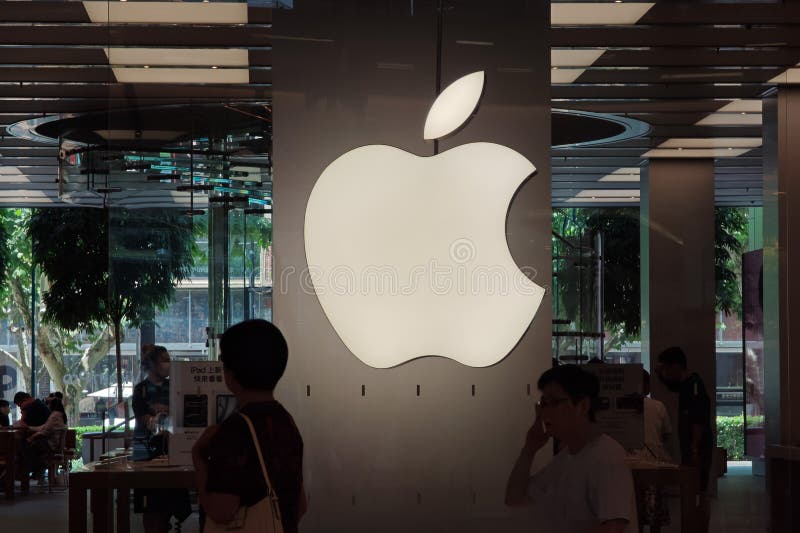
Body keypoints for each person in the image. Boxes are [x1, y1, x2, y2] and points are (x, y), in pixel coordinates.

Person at [192, 319, 306, 533]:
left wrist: (198, 458)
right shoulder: (286, 421)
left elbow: (221, 510)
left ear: (231, 373)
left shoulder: (234, 431)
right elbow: (300, 506)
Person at [505, 364, 638, 533]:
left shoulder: (606, 456)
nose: (545, 413)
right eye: (543, 404)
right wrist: (529, 448)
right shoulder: (566, 458)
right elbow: (514, 498)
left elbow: (613, 528)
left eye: (553, 402)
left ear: (582, 406)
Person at [132, 345, 191, 533]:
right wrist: (155, 422)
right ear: (152, 364)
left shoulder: (176, 387)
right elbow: (142, 418)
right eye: (164, 360)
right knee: (151, 509)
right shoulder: (140, 390)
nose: (168, 364)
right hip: (147, 452)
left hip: (173, 452)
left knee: (173, 502)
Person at [655, 346, 713, 532]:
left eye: (666, 368)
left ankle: (699, 526)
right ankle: (694, 525)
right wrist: (660, 375)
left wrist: (695, 448)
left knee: (699, 491)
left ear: (676, 366)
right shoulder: (685, 385)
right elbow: (671, 385)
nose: (665, 372)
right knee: (693, 489)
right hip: (691, 448)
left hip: (698, 449)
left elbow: (698, 420)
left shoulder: (694, 385)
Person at [635, 369, 673, 533]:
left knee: (635, 507)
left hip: (631, 463)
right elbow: (666, 434)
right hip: (654, 463)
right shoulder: (658, 407)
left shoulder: (622, 408)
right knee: (654, 507)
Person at [25, 397, 68, 484]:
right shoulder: (58, 415)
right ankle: (38, 471)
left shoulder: (55, 415)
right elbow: (44, 427)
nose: (46, 405)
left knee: (26, 448)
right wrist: (29, 428)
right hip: (54, 444)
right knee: (30, 447)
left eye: (48, 403)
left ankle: (36, 470)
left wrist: (32, 437)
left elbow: (45, 431)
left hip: (51, 444)